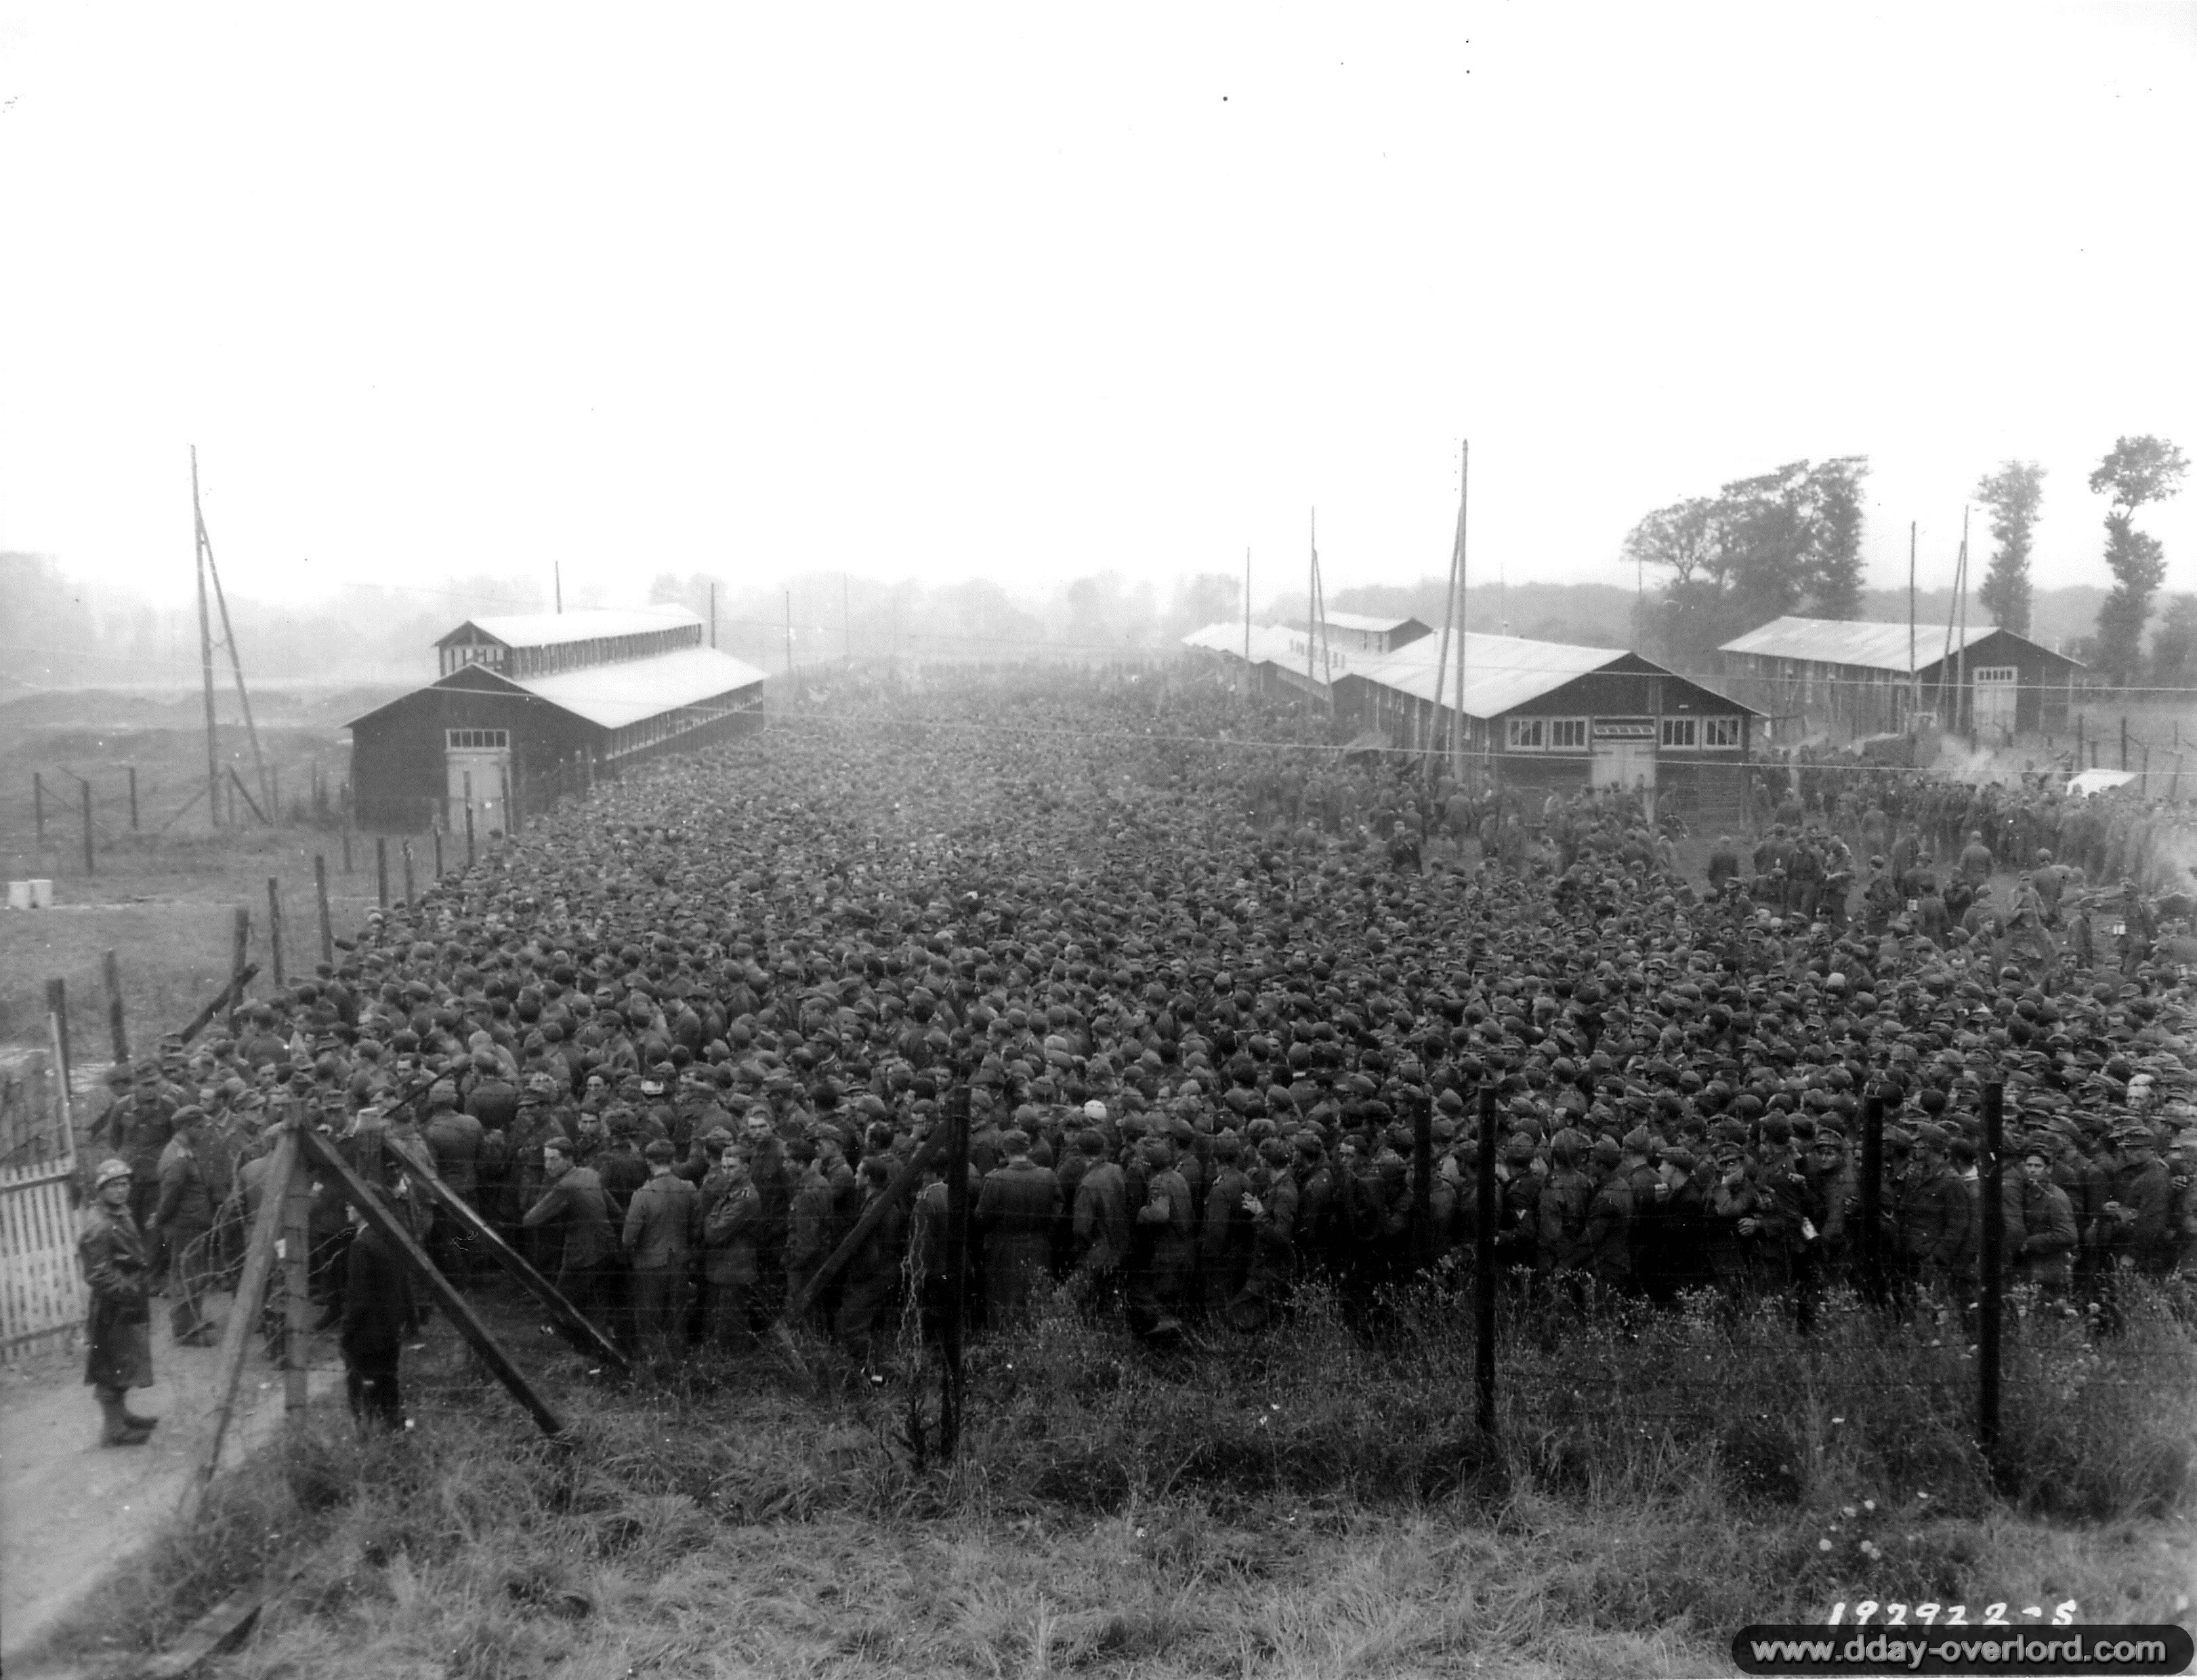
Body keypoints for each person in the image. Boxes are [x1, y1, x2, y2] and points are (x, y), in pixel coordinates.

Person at [79, 1159, 159, 1447]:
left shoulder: (118, 1212)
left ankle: (122, 1415)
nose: (121, 1190)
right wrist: (127, 1292)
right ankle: (113, 1430)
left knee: (124, 1362)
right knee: (110, 1365)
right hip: (112, 1306)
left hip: (126, 1299)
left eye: (125, 1184)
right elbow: (97, 1273)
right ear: (101, 1188)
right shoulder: (98, 1223)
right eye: (114, 1185)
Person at [340, 1190, 414, 1432]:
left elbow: (358, 1298)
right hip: (389, 1330)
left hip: (366, 1335)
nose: (347, 1208)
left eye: (353, 1204)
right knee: (387, 1385)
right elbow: (404, 1285)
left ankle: (365, 1436)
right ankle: (395, 1432)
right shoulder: (389, 1239)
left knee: (363, 1389)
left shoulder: (361, 1246)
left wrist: (347, 1333)